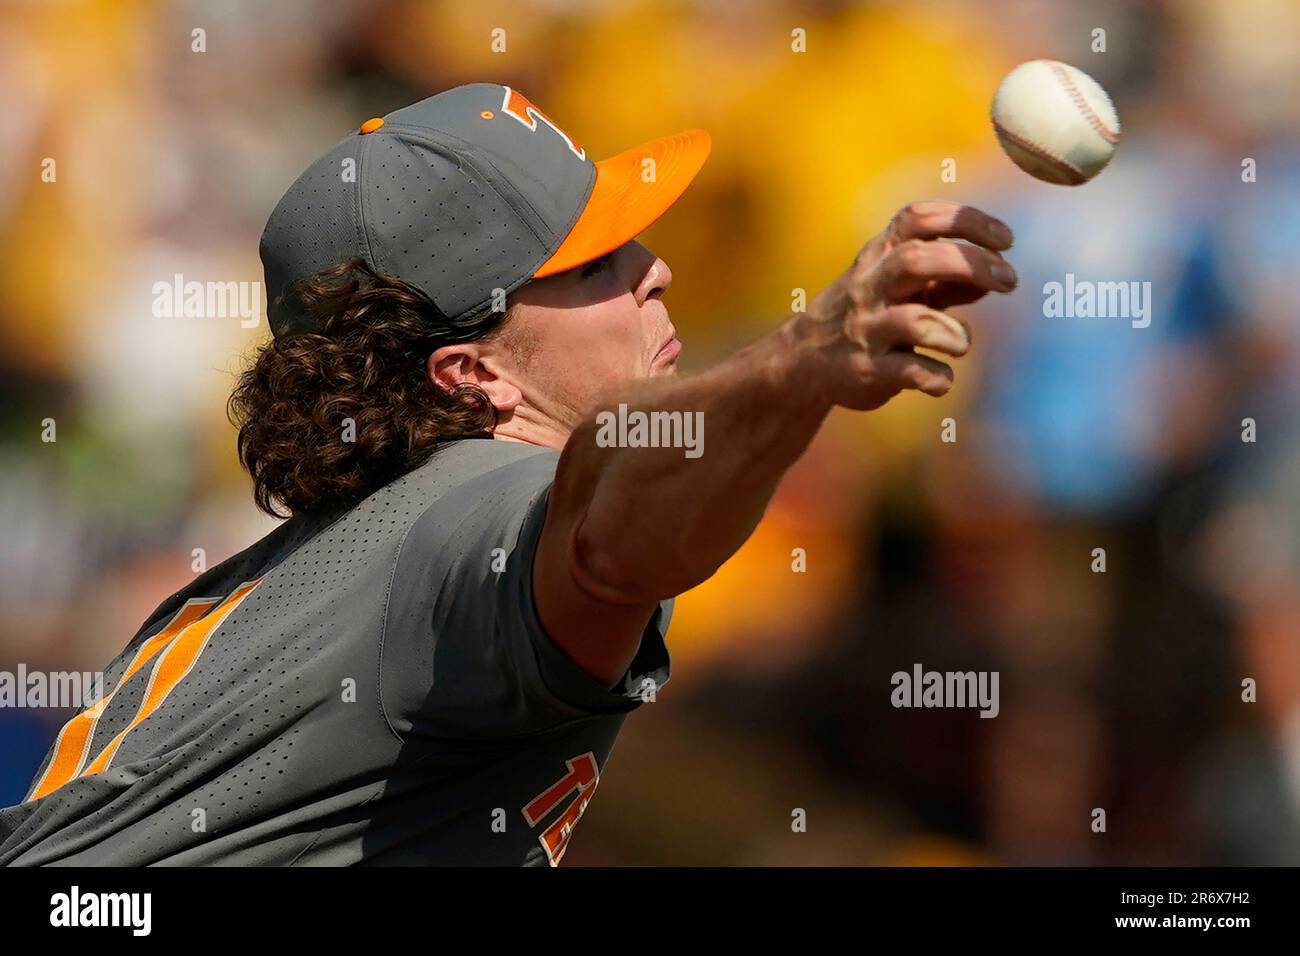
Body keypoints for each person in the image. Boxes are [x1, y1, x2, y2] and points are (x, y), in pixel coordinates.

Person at [0, 83, 1015, 865]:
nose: (654, 268)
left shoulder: (310, 568)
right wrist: (802, 359)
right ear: (471, 371)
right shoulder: (464, 511)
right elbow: (607, 525)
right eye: (590, 264)